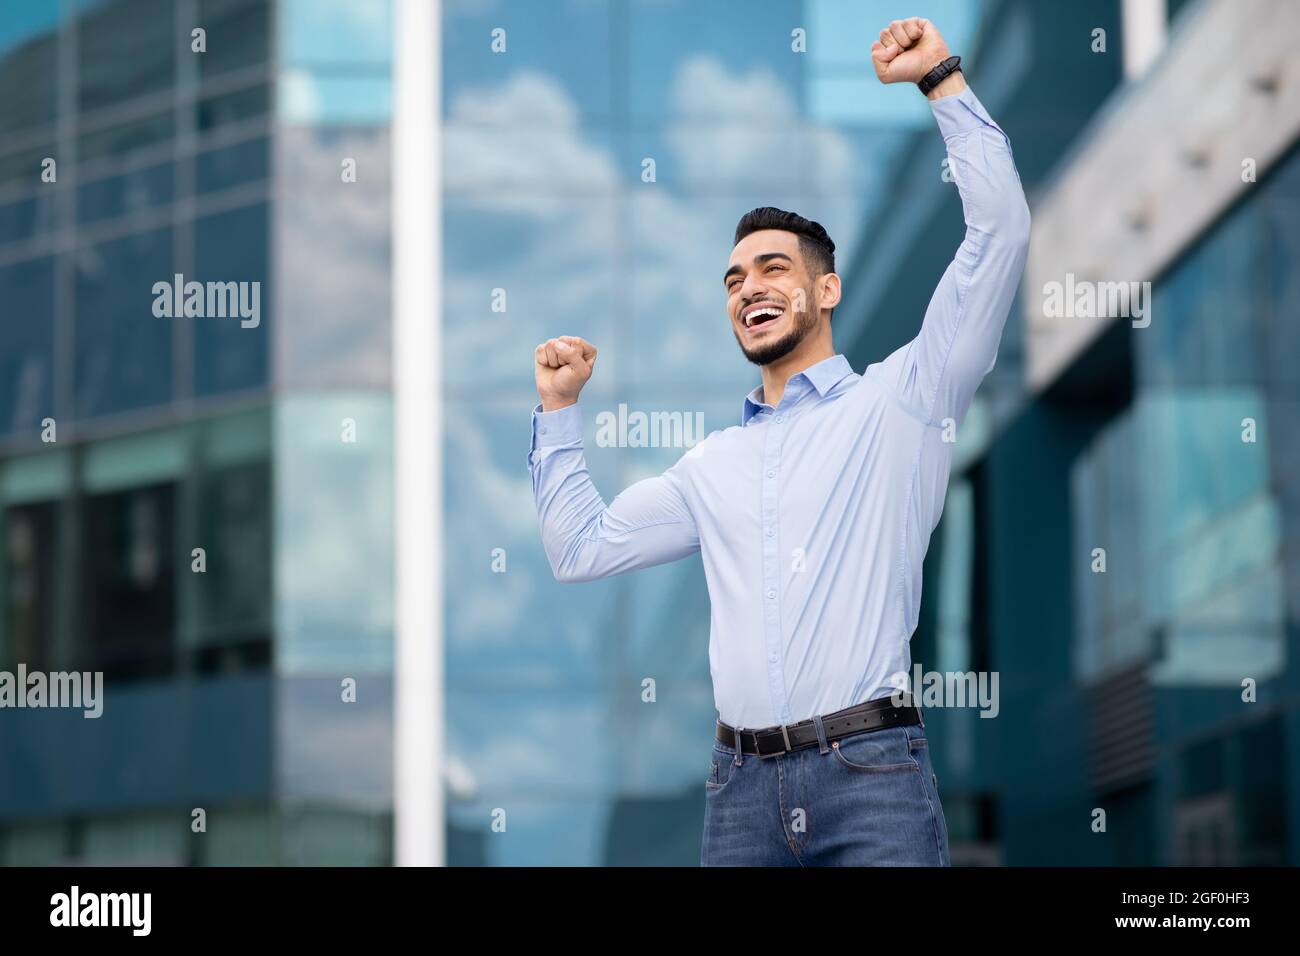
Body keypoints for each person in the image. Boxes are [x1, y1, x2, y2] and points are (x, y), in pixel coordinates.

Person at [527, 17, 1030, 865]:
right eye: (733, 279)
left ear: (825, 288)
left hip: (871, 778)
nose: (748, 288)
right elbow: (580, 548)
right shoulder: (709, 467)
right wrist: (558, 412)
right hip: (740, 794)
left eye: (772, 269)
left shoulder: (903, 400)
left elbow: (1000, 235)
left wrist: (940, 79)